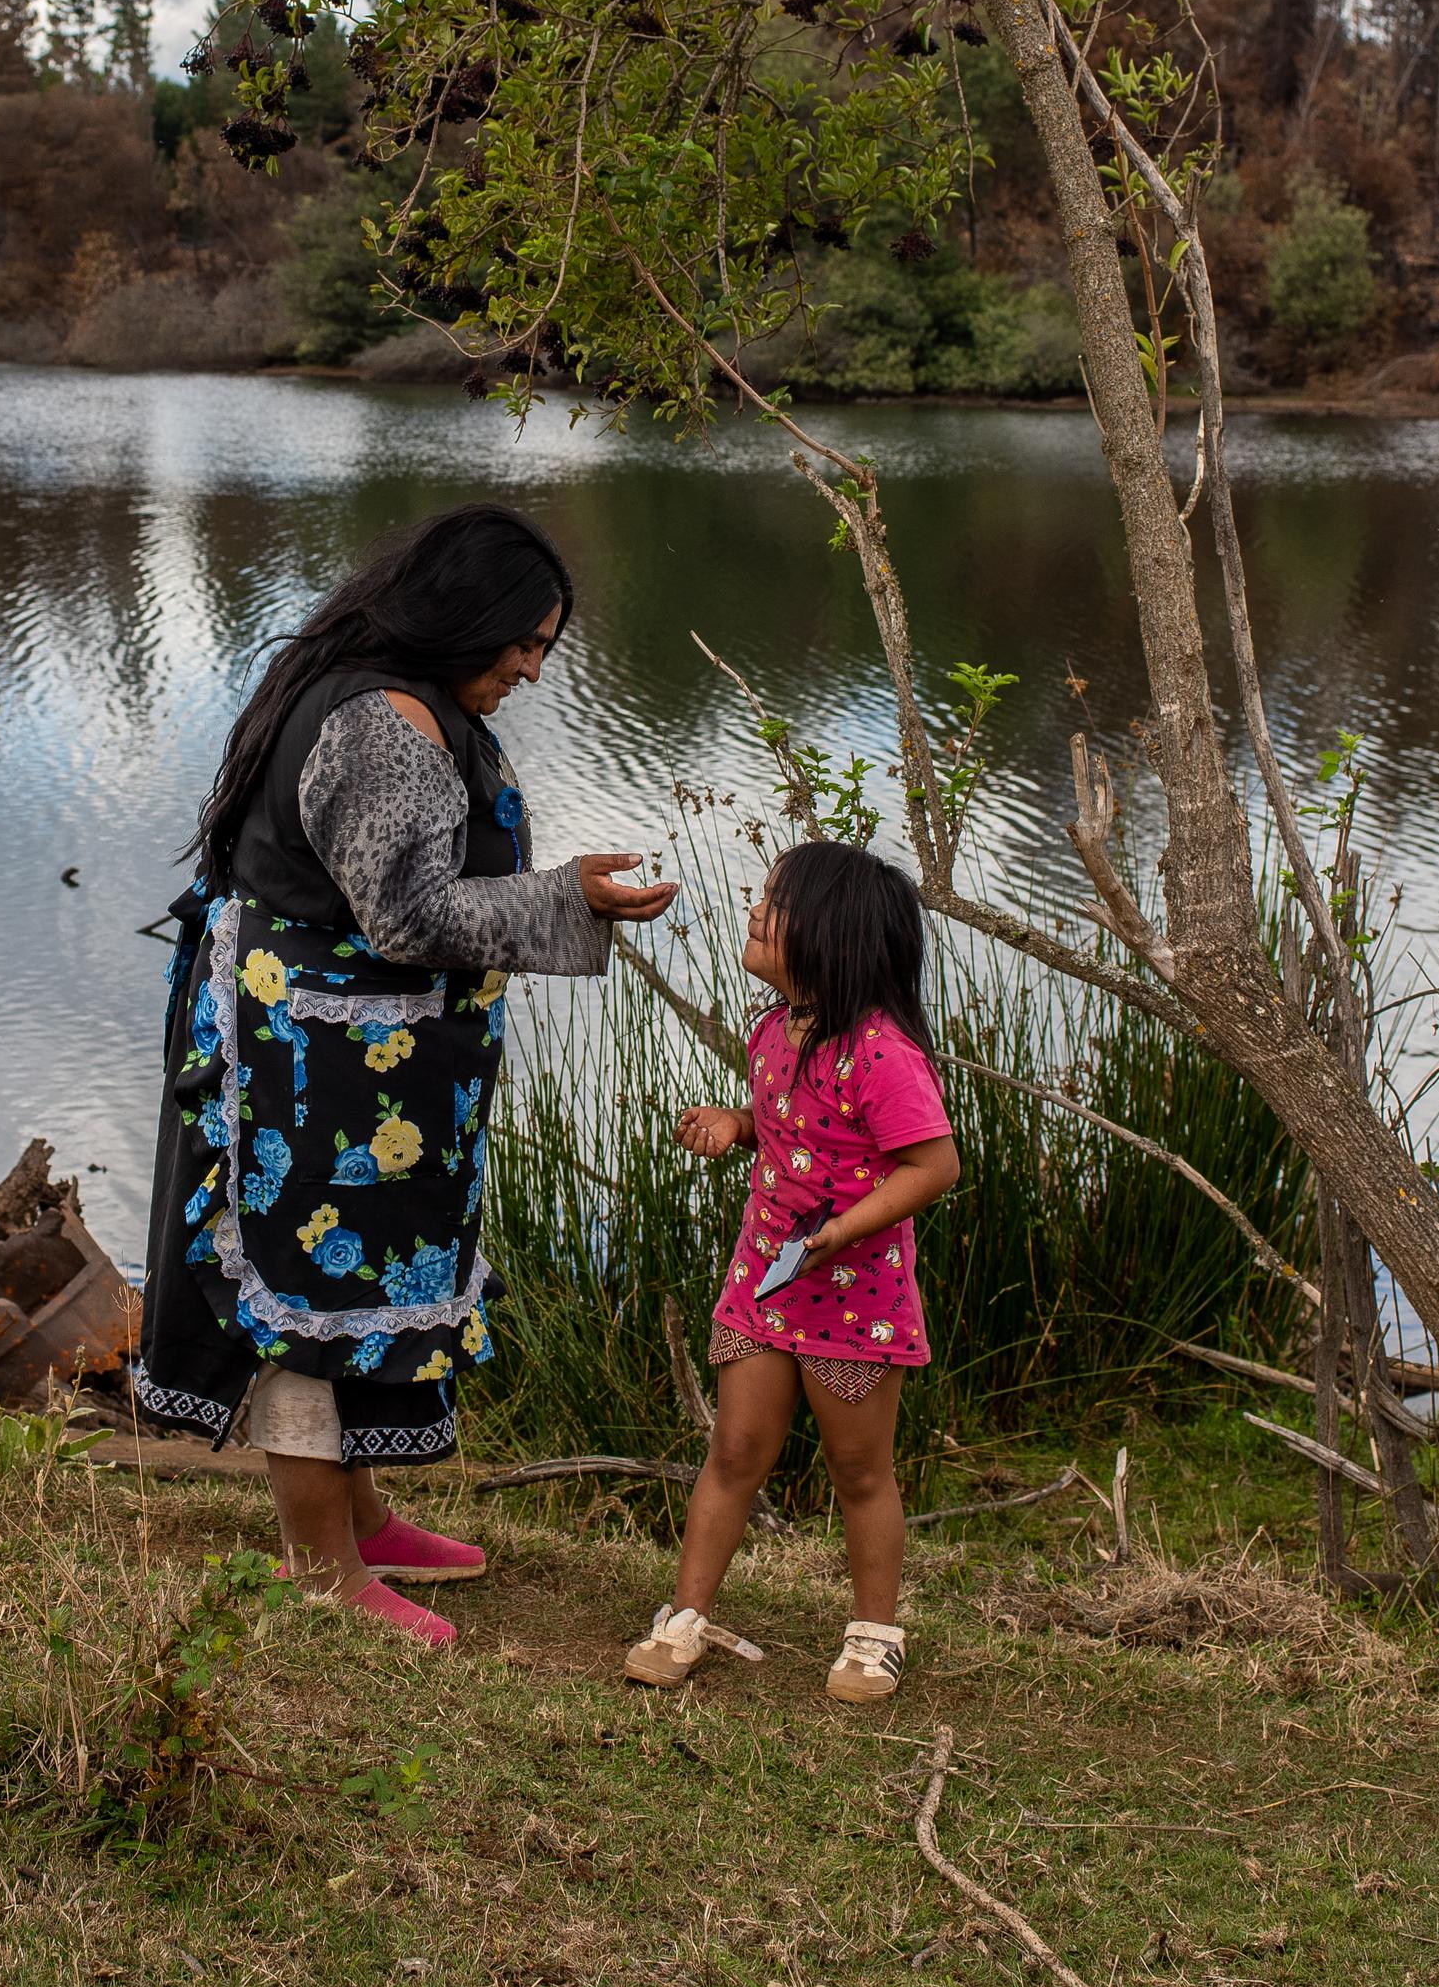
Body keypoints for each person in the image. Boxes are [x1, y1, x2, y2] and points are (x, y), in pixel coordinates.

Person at [134, 505, 675, 1646]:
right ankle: (322, 1564)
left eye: (545, 648)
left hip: (350, 1055)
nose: (530, 668)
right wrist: (569, 894)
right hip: (306, 1064)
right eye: (522, 643)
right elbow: (408, 912)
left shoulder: (398, 692)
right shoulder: (384, 722)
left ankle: (363, 1519)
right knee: (308, 1292)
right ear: (462, 616)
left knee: (360, 1284)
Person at [624, 840, 958, 1704]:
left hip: (856, 1300)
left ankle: (874, 1635)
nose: (757, 911)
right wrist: (737, 1125)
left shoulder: (883, 1054)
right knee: (733, 1450)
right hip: (765, 1285)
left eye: (778, 902)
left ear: (832, 935)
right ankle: (686, 1616)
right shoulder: (773, 1030)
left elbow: (934, 1166)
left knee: (859, 1471)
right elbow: (792, 1128)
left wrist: (842, 1230)